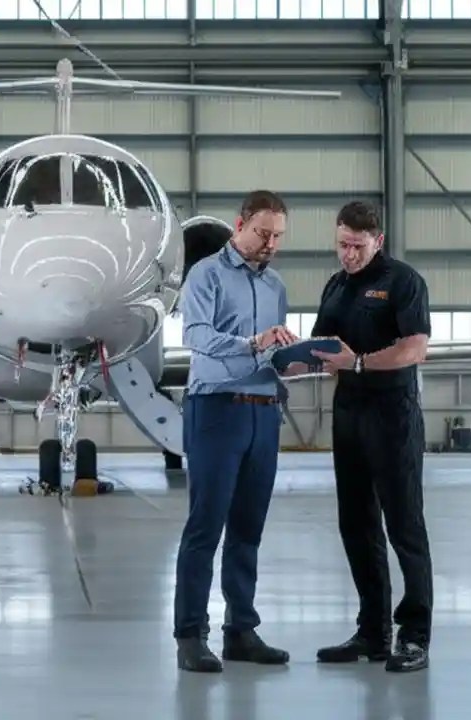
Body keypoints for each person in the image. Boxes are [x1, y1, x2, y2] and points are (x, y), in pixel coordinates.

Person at [172, 190, 311, 673]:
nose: (270, 243)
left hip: (264, 412)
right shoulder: (205, 275)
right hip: (216, 410)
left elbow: (272, 351)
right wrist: (253, 342)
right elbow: (195, 336)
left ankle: (241, 631)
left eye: (278, 237)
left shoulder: (275, 286)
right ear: (240, 225)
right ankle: (191, 634)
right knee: (205, 527)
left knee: (248, 529)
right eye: (262, 233)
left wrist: (296, 360)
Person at [309, 200, 433, 673]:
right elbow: (323, 349)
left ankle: (414, 636)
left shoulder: (403, 282)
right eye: (342, 245)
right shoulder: (336, 285)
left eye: (358, 246)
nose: (349, 255)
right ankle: (373, 632)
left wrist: (358, 362)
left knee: (404, 527)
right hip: (349, 416)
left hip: (392, 416)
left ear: (377, 241)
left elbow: (414, 348)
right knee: (356, 525)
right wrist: (292, 354)